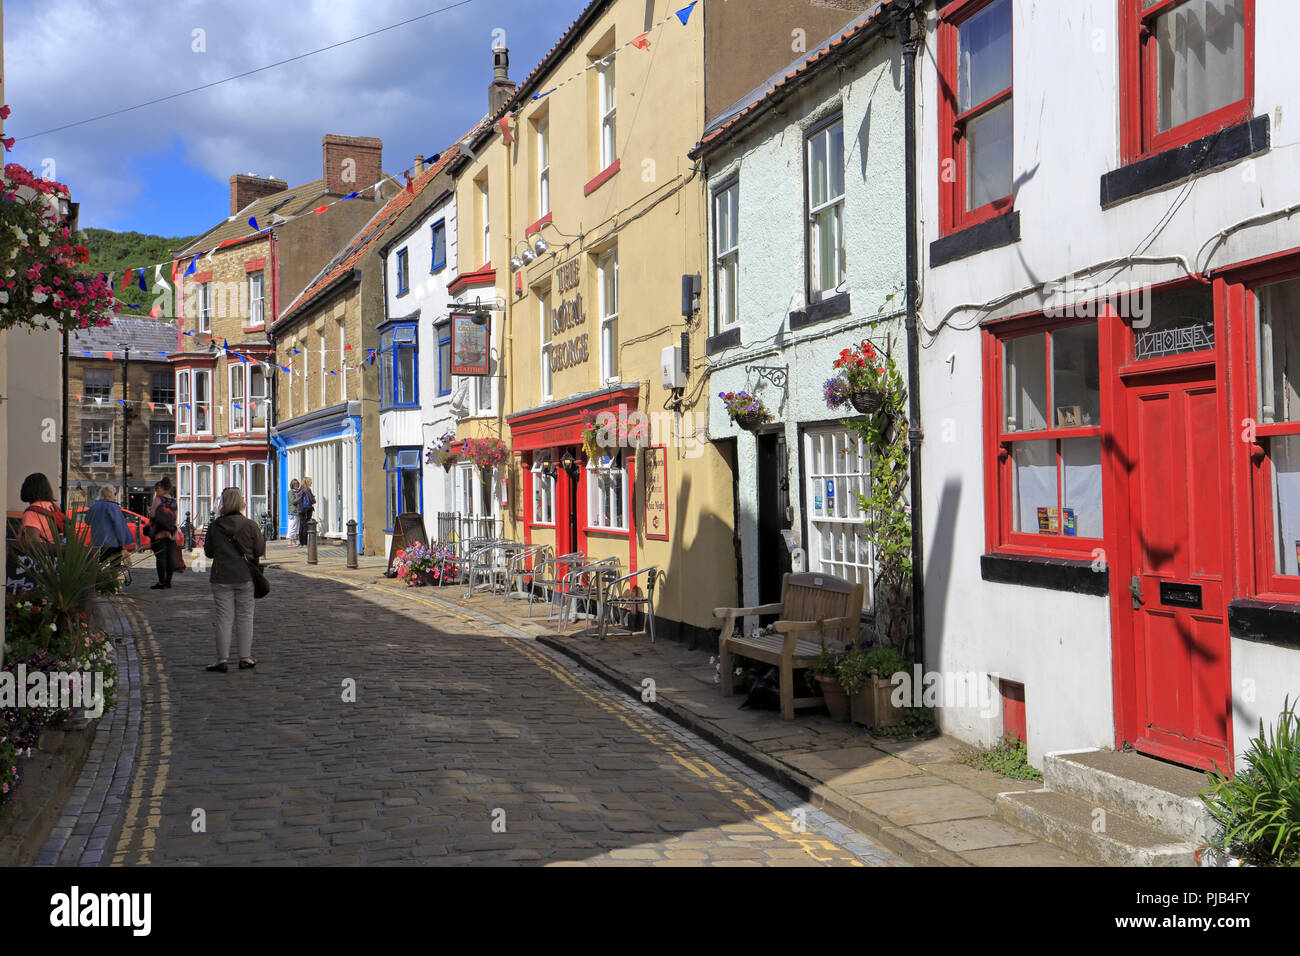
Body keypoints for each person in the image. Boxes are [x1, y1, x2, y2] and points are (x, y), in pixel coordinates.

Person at [204, 486, 265, 672]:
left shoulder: (215, 526)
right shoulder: (250, 525)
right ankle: (245, 658)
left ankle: (221, 660)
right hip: (245, 576)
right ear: (241, 502)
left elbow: (208, 552)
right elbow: (259, 551)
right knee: (245, 617)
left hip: (222, 576)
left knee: (224, 618)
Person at [86, 485, 133, 576]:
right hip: (113, 542)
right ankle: (112, 584)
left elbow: (88, 521)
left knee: (99, 566)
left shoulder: (94, 507)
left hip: (97, 542)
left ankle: (101, 584)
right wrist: (123, 542)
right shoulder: (113, 507)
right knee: (114, 566)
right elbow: (119, 526)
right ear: (111, 495)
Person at [147, 478, 182, 589]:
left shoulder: (158, 499)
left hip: (159, 532)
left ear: (163, 488)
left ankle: (161, 582)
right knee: (169, 558)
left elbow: (152, 515)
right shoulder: (174, 501)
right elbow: (175, 517)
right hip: (171, 532)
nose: (157, 491)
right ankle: (168, 582)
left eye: (158, 489)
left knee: (160, 558)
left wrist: (149, 511)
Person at [17, 473, 64, 549]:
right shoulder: (52, 506)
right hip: (54, 554)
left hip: (42, 557)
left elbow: (32, 543)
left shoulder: (32, 512)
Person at [297, 477, 315, 546]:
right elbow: (311, 499)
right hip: (307, 508)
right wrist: (314, 500)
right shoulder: (307, 489)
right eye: (310, 481)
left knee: (301, 525)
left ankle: (301, 542)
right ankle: (305, 543)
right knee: (306, 525)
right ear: (307, 482)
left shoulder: (300, 490)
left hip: (300, 509)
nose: (311, 483)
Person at [287, 478, 301, 546]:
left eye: (297, 484)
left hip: (297, 512)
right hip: (293, 512)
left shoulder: (297, 492)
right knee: (292, 527)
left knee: (295, 528)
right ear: (292, 485)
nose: (296, 485)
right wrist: (300, 498)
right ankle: (289, 541)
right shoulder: (291, 492)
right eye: (294, 484)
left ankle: (294, 541)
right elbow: (293, 501)